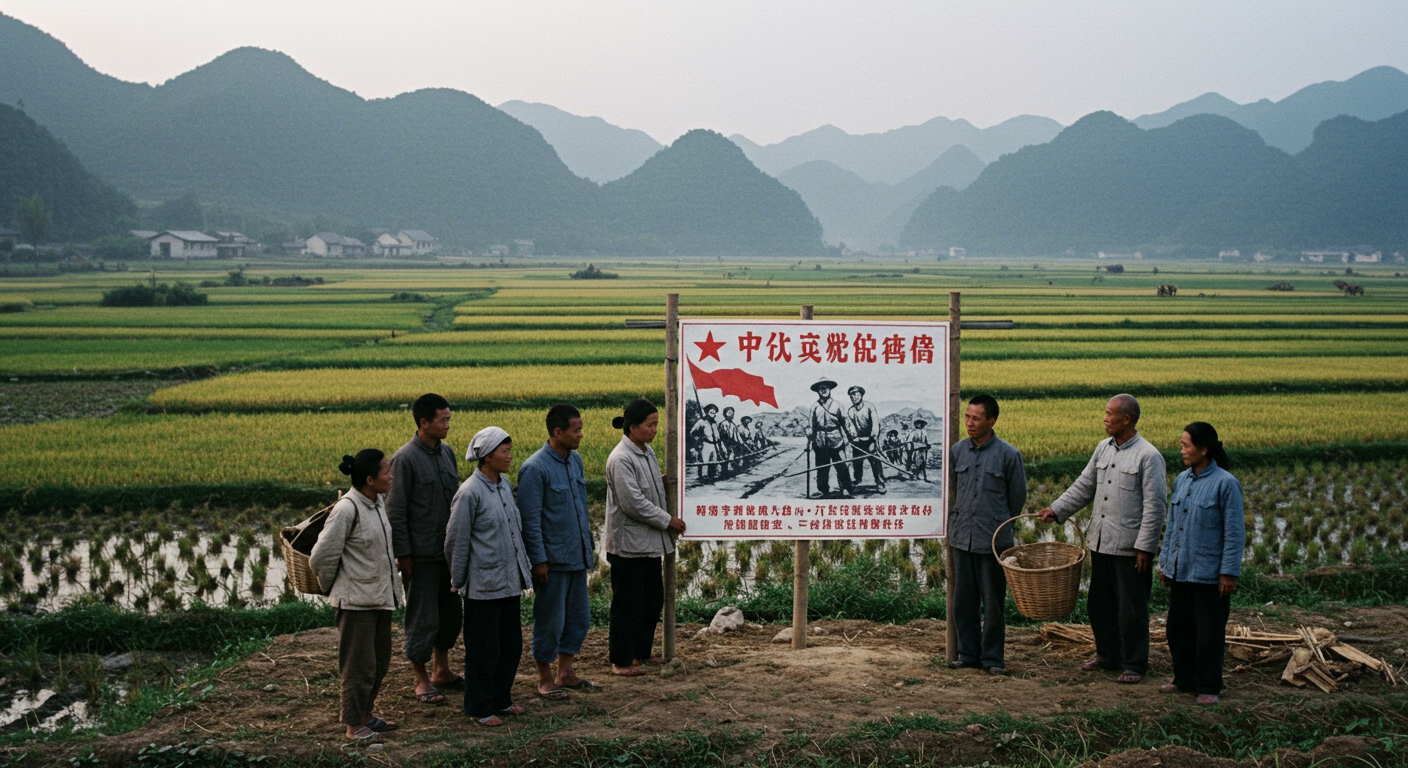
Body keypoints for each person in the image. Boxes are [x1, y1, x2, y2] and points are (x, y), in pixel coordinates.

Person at [1039, 394, 1168, 684]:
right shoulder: (1103, 449)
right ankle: (1108, 655)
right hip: (1101, 541)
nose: (1105, 418)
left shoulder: (1148, 456)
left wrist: (1145, 548)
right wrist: (1056, 509)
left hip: (1130, 548)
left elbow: (1156, 506)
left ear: (1127, 419)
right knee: (1100, 604)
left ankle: (1134, 663)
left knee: (1131, 608)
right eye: (1105, 413)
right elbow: (1084, 486)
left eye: (1110, 414)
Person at [309, 450, 402, 744]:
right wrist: (334, 588)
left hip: (379, 597)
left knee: (379, 663)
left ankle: (365, 715)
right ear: (370, 479)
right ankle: (353, 726)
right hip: (356, 602)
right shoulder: (347, 509)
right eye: (387, 471)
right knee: (358, 667)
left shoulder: (376, 504)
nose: (391, 476)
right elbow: (320, 557)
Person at [446, 426, 533, 726]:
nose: (510, 457)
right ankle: (480, 707)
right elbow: (455, 540)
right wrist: (458, 580)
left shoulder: (504, 485)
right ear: (486, 457)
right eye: (504, 452)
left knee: (510, 646)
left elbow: (514, 532)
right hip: (483, 586)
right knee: (484, 650)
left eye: (510, 451)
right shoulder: (469, 493)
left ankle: (501, 699)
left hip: (509, 582)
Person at [1158, 422, 1244, 705]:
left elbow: (1234, 533)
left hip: (1209, 575)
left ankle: (1209, 686)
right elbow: (1172, 527)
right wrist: (1165, 563)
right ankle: (1183, 679)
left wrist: (1228, 573)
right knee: (1177, 629)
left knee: (1208, 633)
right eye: (1181, 445)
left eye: (1186, 445)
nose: (1181, 450)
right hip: (1180, 570)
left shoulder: (1225, 483)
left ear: (1204, 449)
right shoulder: (1182, 480)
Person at [386, 393, 462, 705]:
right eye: (442, 420)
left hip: (448, 553)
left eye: (448, 419)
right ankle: (420, 678)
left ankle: (441, 670)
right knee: (422, 617)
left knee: (449, 615)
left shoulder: (448, 454)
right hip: (421, 555)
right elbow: (396, 510)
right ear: (423, 422)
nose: (447, 425)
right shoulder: (404, 459)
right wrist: (403, 553)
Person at [518, 405, 596, 701]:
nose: (581, 435)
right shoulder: (534, 469)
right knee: (550, 619)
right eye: (575, 430)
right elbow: (531, 520)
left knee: (578, 618)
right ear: (557, 432)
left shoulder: (574, 461)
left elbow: (582, 510)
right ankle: (545, 677)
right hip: (552, 560)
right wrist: (538, 560)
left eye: (581, 428)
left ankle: (566, 672)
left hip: (576, 555)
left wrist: (587, 547)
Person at [604, 399, 686, 676]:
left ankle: (641, 654)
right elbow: (633, 503)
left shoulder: (646, 451)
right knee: (627, 605)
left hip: (649, 544)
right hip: (629, 545)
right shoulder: (621, 458)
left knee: (651, 601)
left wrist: (665, 481)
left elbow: (647, 487)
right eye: (650, 425)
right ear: (633, 427)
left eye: (656, 424)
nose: (654, 429)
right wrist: (668, 520)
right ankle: (621, 660)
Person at [947, 395, 1027, 676]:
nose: (969, 423)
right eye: (967, 417)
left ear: (991, 421)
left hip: (993, 540)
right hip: (961, 537)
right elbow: (954, 489)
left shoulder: (1008, 455)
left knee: (993, 603)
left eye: (976, 418)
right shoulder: (957, 451)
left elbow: (1016, 499)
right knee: (963, 601)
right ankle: (968, 655)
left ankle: (993, 658)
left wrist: (996, 522)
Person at [806, 377, 852, 498]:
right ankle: (823, 490)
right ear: (818, 391)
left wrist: (852, 437)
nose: (824, 390)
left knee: (841, 466)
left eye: (826, 387)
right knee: (822, 468)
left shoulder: (837, 405)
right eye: (821, 388)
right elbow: (811, 424)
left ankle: (846, 488)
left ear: (830, 389)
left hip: (836, 440)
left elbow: (845, 422)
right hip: (820, 442)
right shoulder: (814, 407)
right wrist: (809, 433)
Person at [845, 385, 885, 492]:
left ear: (861, 395)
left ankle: (880, 482)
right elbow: (851, 426)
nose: (854, 397)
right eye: (851, 395)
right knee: (857, 462)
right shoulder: (850, 411)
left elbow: (875, 424)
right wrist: (854, 437)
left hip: (870, 439)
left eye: (856, 394)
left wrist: (873, 439)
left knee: (875, 461)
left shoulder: (869, 407)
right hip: (858, 441)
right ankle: (857, 480)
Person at [690, 404, 722, 480]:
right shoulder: (701, 422)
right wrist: (699, 439)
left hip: (714, 444)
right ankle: (704, 477)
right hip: (705, 444)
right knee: (705, 461)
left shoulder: (715, 423)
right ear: (707, 412)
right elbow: (692, 432)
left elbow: (717, 434)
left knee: (714, 460)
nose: (712, 414)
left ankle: (713, 476)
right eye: (711, 412)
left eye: (714, 413)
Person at [719, 407, 741, 473]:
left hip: (732, 443)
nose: (731, 415)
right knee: (725, 457)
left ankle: (732, 470)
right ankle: (724, 472)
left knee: (733, 457)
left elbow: (737, 436)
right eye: (729, 413)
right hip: (725, 442)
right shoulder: (723, 424)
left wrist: (739, 442)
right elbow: (721, 435)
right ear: (725, 414)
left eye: (732, 413)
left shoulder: (733, 425)